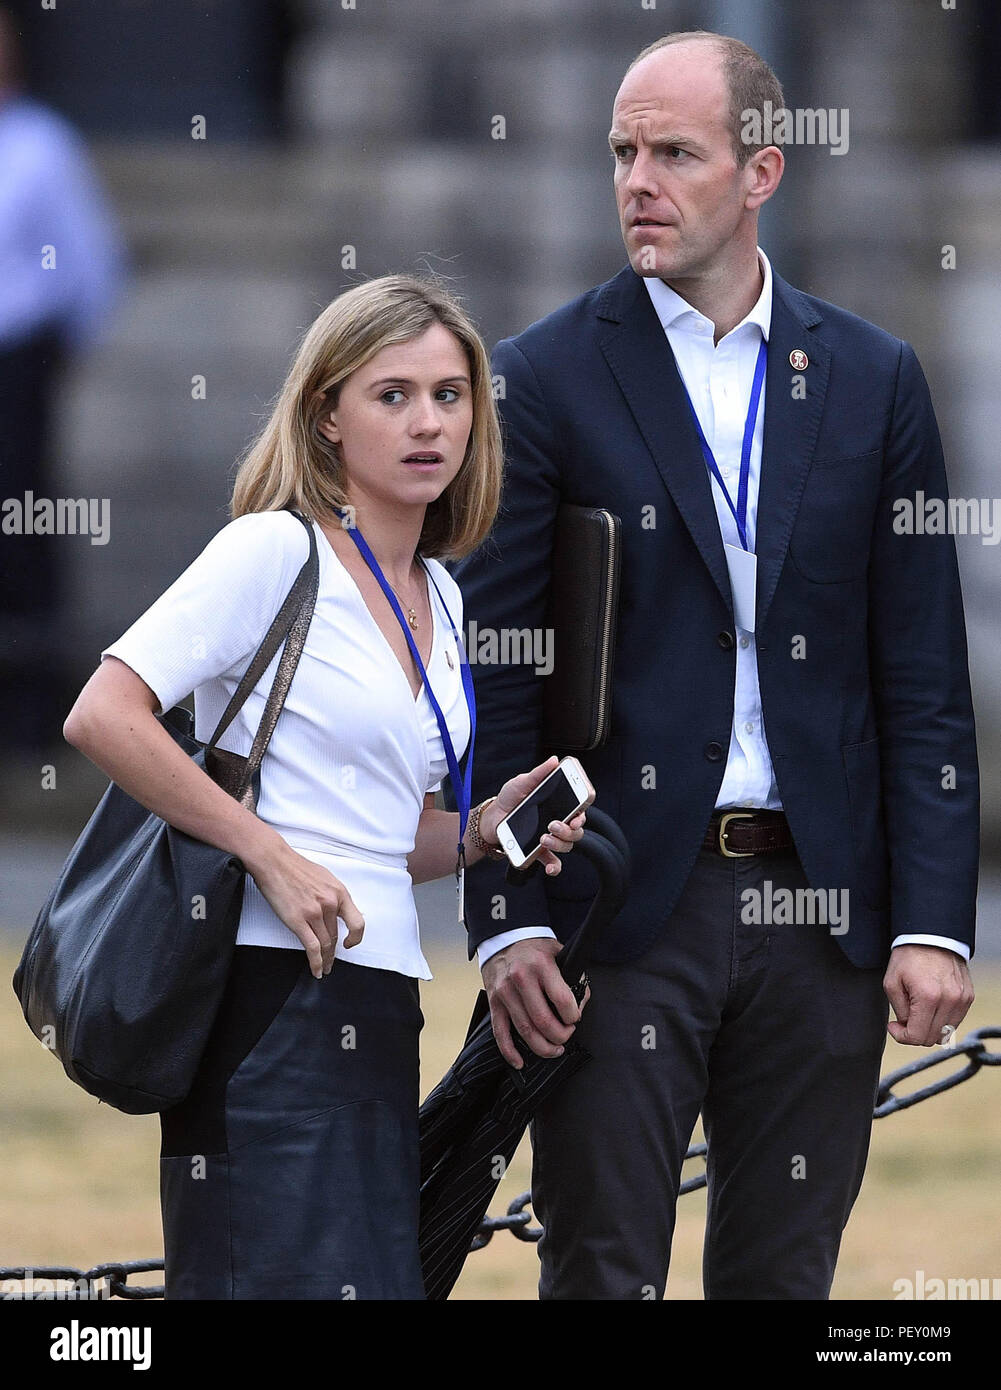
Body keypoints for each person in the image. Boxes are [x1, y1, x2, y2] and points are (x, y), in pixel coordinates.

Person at [449, 31, 980, 1300]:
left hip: (821, 915)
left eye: (673, 153)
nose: (637, 179)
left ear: (760, 172)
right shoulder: (542, 376)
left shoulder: (870, 377)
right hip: (623, 904)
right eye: (622, 151)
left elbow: (919, 675)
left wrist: (930, 922)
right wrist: (509, 918)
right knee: (602, 1270)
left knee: (782, 1279)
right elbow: (494, 673)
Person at [62, 273, 587, 1300]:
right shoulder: (273, 550)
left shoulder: (441, 590)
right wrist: (267, 852)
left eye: (448, 394)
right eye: (391, 395)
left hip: (380, 999)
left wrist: (477, 834)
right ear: (327, 417)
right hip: (265, 997)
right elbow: (102, 714)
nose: (427, 421)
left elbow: (379, 835)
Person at [0, 5, 124, 753]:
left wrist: (55, 355)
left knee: (21, 528)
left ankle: (30, 713)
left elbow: (89, 262)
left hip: (15, 364)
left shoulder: (41, 145)